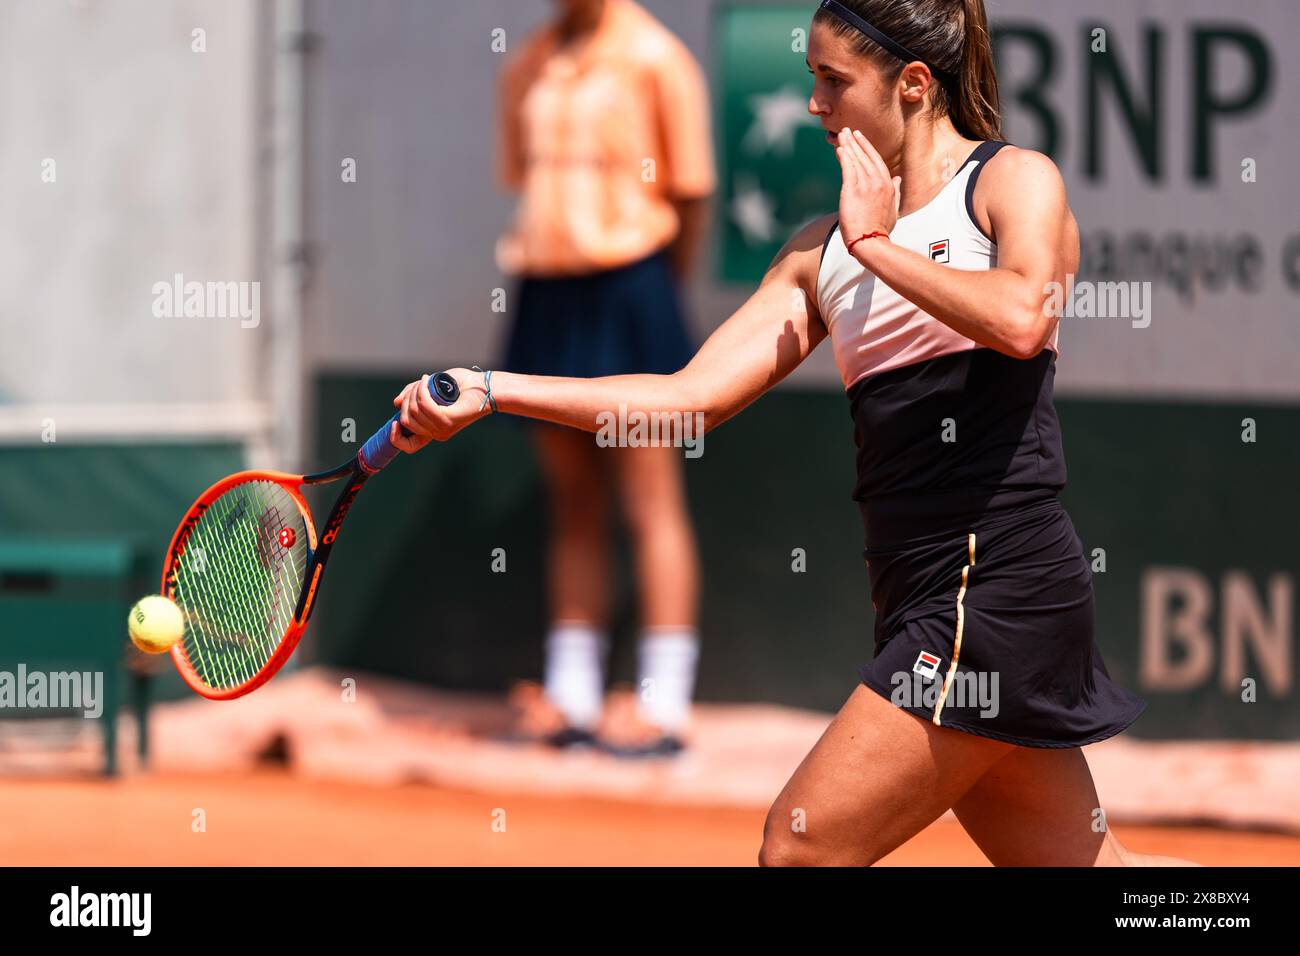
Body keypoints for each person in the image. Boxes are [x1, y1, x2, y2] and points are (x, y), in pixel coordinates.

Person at [399, 0, 1197, 865]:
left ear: (913, 83)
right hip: (916, 592)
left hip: (995, 587)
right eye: (810, 80)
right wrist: (492, 390)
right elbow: (686, 400)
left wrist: (878, 246)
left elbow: (1021, 319)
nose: (815, 103)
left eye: (832, 81)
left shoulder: (1011, 182)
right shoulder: (817, 253)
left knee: (798, 847)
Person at [492, 0, 716, 756]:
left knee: (650, 500)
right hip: (545, 294)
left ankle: (664, 707)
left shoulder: (658, 59)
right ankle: (573, 698)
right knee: (572, 500)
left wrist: (655, 297)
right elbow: (522, 178)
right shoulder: (527, 61)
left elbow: (690, 193)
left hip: (633, 289)